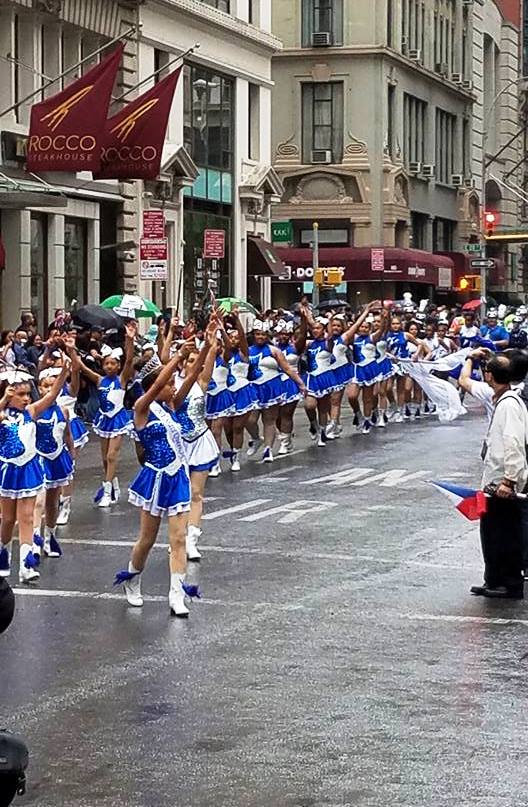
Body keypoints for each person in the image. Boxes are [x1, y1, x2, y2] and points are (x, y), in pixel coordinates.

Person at [113, 321, 216, 616]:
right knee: (146, 539)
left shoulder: (172, 405)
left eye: (173, 385)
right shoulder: (142, 409)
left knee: (178, 539)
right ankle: (132, 579)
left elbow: (195, 375)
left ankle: (176, 595)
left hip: (177, 479)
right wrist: (177, 357)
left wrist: (207, 345)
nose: (173, 388)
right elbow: (159, 383)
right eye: (169, 384)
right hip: (154, 479)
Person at [0, 362, 69, 583]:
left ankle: (26, 565)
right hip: (8, 471)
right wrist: (3, 399)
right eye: (20, 394)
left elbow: (53, 394)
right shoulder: (2, 415)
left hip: (29, 469)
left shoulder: (31, 412)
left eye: (28, 394)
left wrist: (66, 372)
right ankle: (4, 556)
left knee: (28, 517)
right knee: (8, 519)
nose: (26, 398)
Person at [471, 354, 528, 599]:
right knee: (491, 533)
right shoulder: (504, 400)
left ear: (489, 376)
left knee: (505, 535)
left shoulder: (509, 404)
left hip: (502, 484)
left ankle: (509, 582)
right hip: (493, 482)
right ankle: (493, 578)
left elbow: (514, 443)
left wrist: (509, 480)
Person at [79, 321, 137, 507]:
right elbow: (82, 368)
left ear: (118, 366)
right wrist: (71, 351)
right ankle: (113, 484)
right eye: (107, 363)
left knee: (112, 456)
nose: (110, 366)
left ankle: (106, 491)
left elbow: (129, 360)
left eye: (113, 363)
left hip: (118, 419)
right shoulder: (99, 380)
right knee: (105, 458)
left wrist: (129, 339)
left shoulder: (122, 379)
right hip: (104, 419)